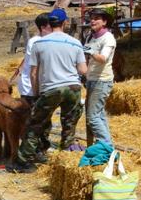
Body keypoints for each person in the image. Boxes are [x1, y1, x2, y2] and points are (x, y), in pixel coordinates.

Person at [6, 10, 87, 173]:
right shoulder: (75, 43)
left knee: (35, 124)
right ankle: (65, 158)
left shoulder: (39, 44)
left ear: (49, 23)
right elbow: (83, 70)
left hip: (51, 88)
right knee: (69, 123)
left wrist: (36, 94)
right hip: (73, 87)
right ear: (64, 23)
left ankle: (23, 161)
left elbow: (34, 73)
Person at [10, 12, 54, 150]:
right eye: (51, 26)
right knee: (34, 121)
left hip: (40, 87)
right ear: (43, 27)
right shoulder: (36, 42)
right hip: (32, 88)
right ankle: (31, 151)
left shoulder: (45, 40)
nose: (54, 28)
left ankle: (40, 147)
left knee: (44, 120)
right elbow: (36, 70)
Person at [84, 8, 117, 147]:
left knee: (93, 117)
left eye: (97, 18)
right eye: (91, 18)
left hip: (102, 80)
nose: (92, 21)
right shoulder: (91, 36)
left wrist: (91, 52)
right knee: (99, 114)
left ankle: (106, 146)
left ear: (104, 22)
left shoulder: (108, 38)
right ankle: (104, 144)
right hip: (91, 79)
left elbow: (103, 58)